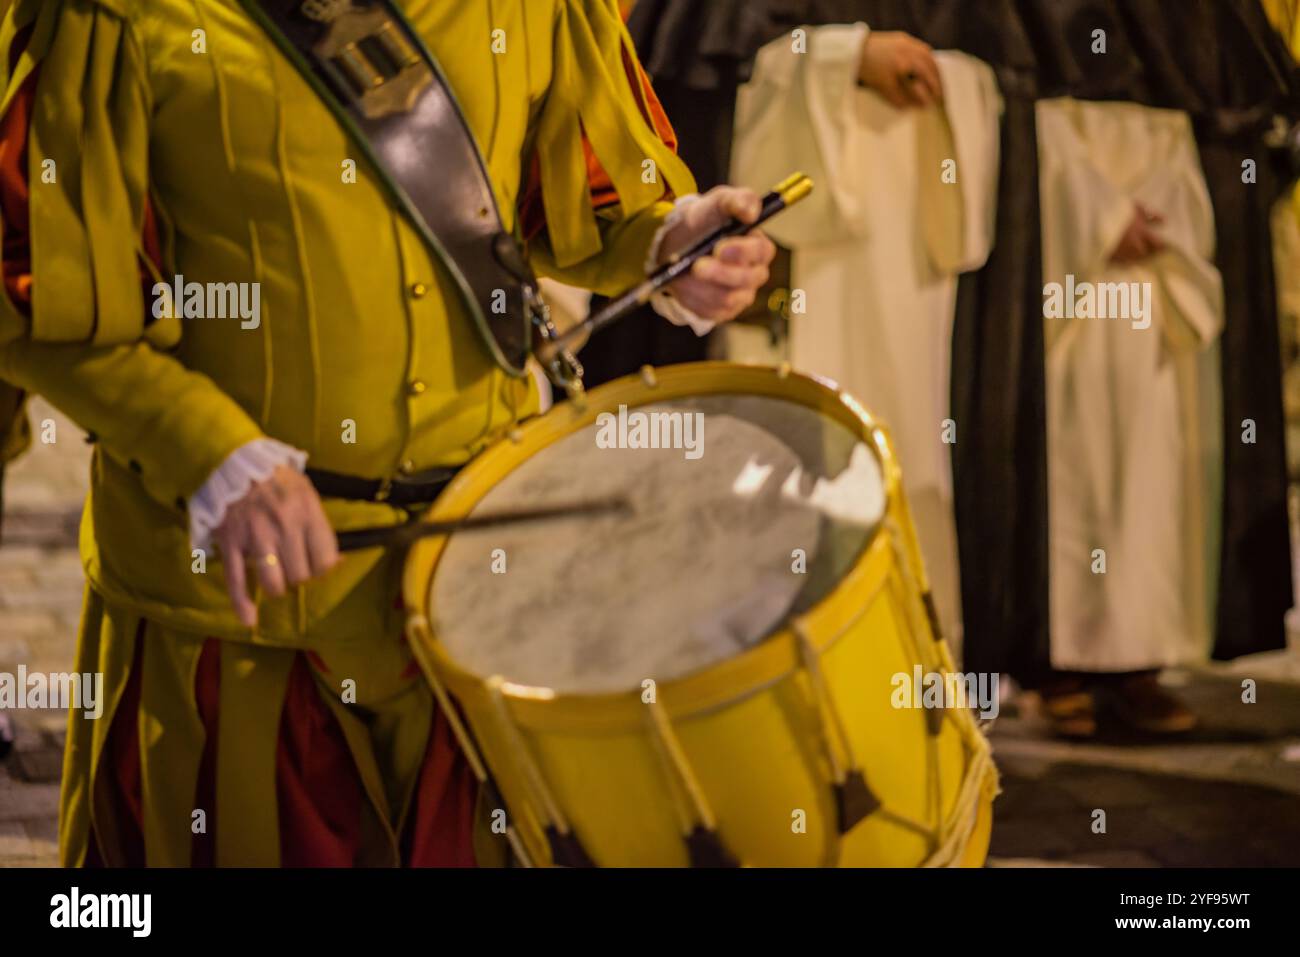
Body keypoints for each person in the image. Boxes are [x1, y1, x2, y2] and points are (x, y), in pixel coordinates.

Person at [0, 0, 774, 866]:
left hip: (475, 596)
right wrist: (208, 451)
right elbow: (43, 297)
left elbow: (571, 202)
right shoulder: (111, 15)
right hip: (239, 624)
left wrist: (666, 240)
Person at [628, 0, 1299, 736]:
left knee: (939, 457)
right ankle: (780, 706)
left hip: (926, 232)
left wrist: (950, 81)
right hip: (817, 231)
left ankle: (928, 685)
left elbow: (1002, 72)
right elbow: (714, 65)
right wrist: (848, 58)